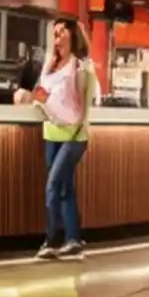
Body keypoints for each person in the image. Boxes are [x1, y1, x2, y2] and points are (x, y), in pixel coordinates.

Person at [33, 19, 98, 262]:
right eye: (55, 33)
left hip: (73, 135)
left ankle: (50, 240)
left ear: (73, 36)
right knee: (65, 187)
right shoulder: (50, 64)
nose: (57, 38)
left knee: (52, 185)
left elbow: (83, 105)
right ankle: (72, 239)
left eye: (62, 33)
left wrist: (76, 129)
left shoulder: (81, 67)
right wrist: (37, 99)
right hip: (51, 132)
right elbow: (41, 93)